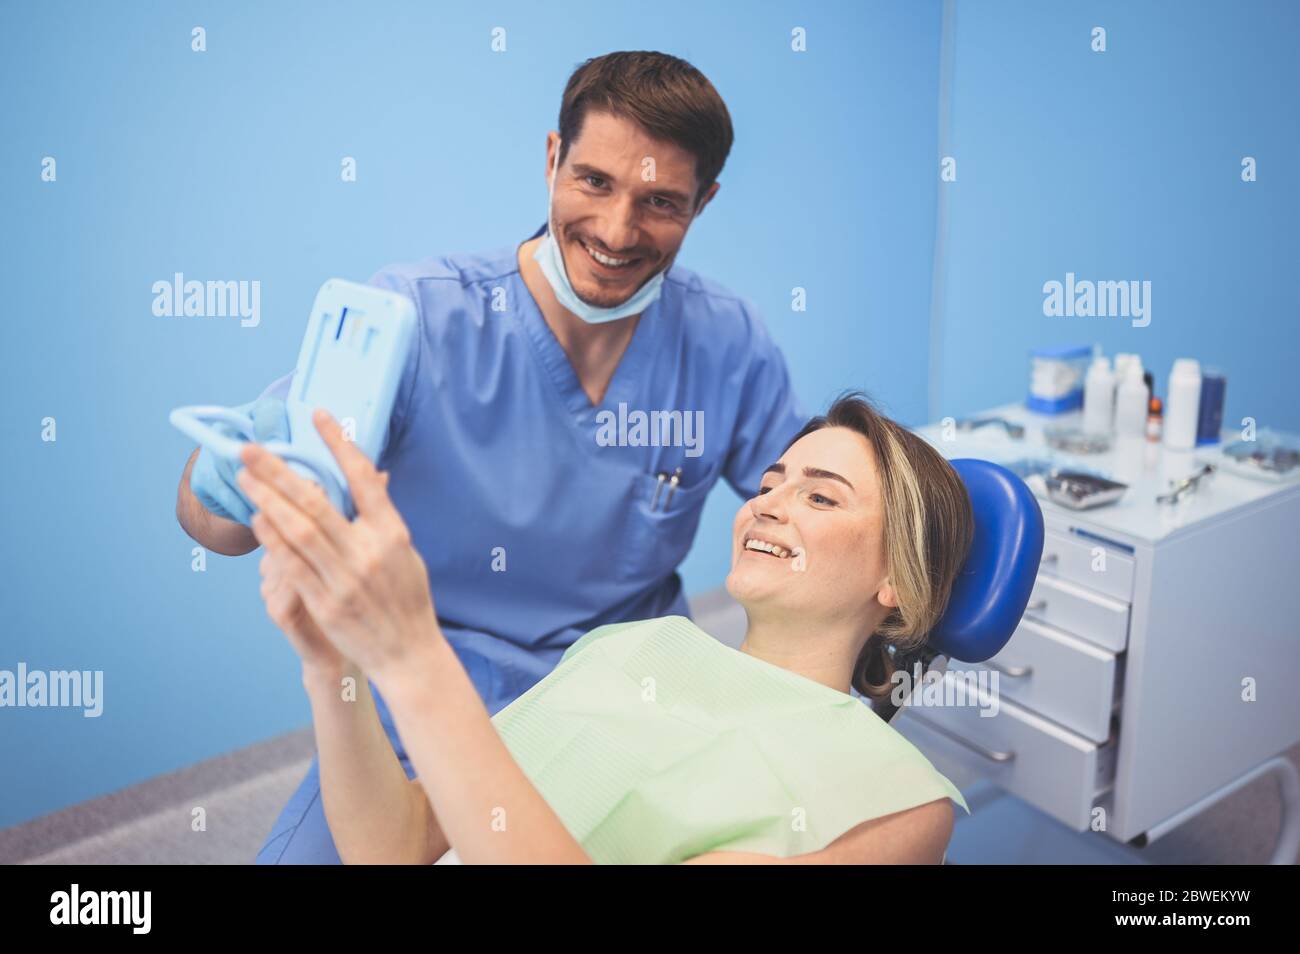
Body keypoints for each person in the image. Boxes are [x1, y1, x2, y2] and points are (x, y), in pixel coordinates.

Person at [174, 51, 806, 863]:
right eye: (594, 183)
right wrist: (229, 480)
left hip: (636, 704)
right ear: (552, 159)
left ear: (703, 202)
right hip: (430, 691)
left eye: (659, 203)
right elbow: (217, 529)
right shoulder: (421, 319)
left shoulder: (727, 341)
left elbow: (806, 511)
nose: (617, 232)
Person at [237, 393, 974, 864]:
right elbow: (393, 846)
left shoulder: (899, 804)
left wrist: (414, 658)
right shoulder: (636, 648)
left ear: (898, 584)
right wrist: (333, 662)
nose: (769, 505)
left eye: (822, 497)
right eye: (771, 483)